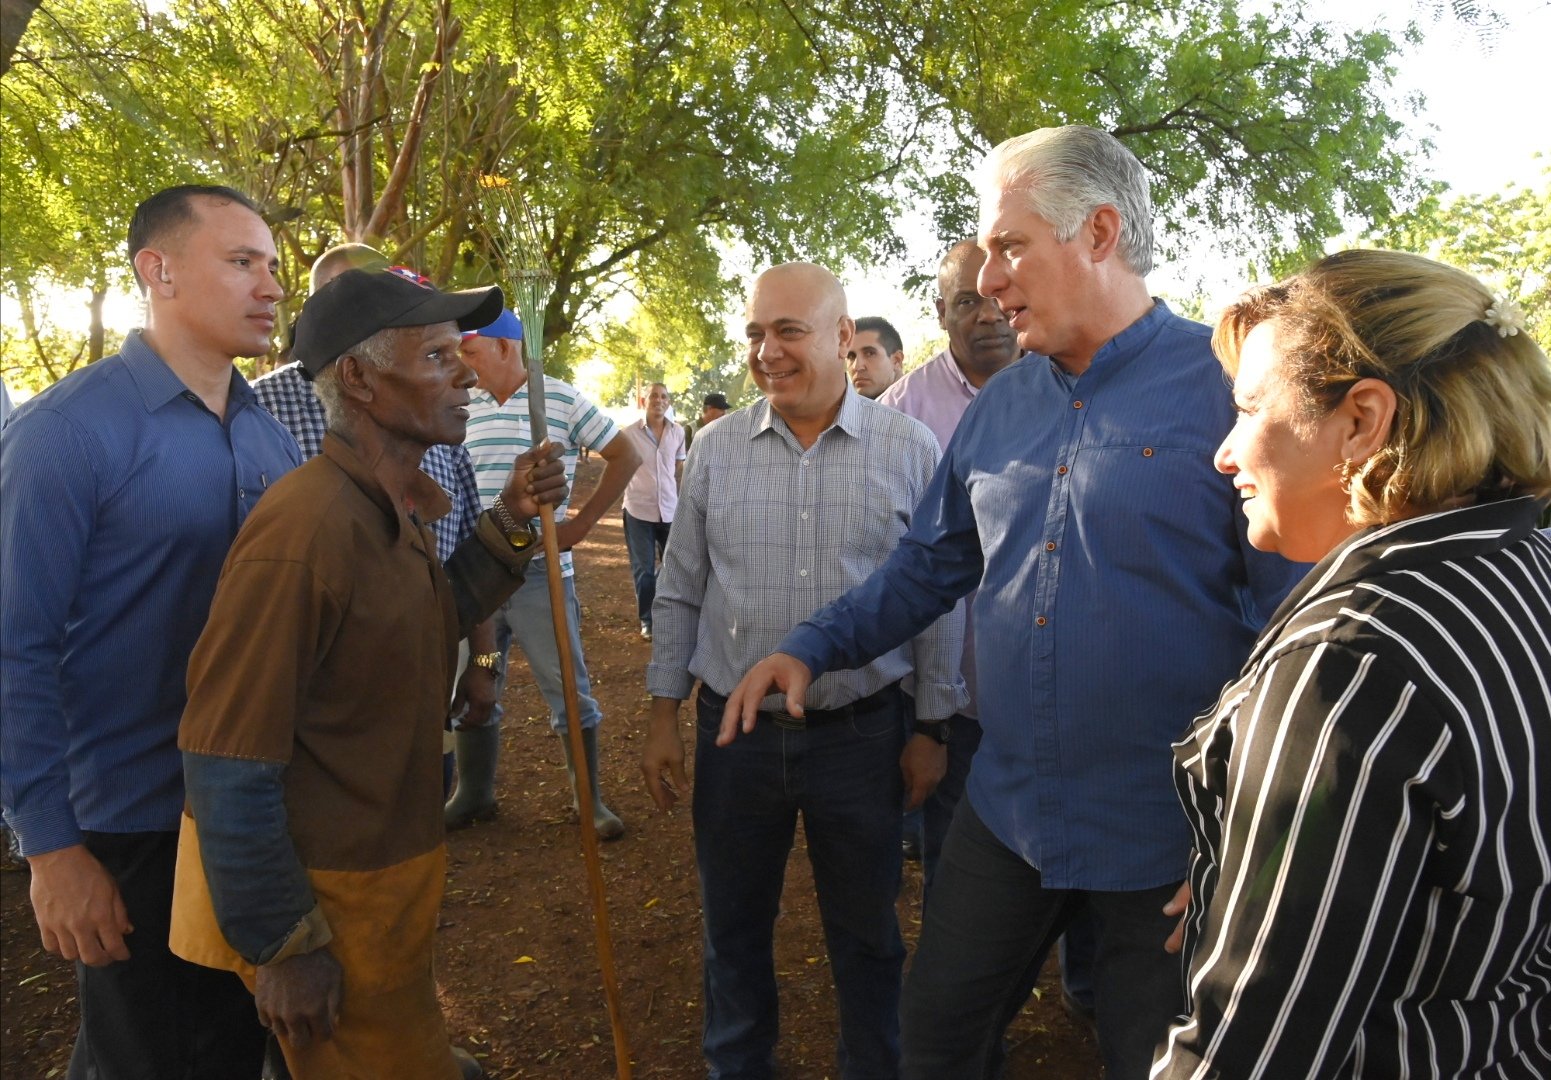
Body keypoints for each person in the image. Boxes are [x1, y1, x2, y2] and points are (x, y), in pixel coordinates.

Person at [721, 127, 1305, 1079]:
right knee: (936, 1043)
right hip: (1007, 811)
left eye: (1009, 245)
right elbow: (926, 567)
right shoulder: (1000, 407)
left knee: (1152, 1063)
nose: (987, 279)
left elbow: (1295, 633)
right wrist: (812, 646)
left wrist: (1252, 843)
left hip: (1169, 835)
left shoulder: (1225, 391)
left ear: (1100, 233)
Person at [1152, 250, 1551, 1078]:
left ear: (1362, 419)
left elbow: (1249, 1049)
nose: (1224, 454)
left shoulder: (1350, 662)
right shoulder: (1523, 560)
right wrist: (1269, 856)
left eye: (1249, 409)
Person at [169, 268, 567, 1080]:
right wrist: (286, 946)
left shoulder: (388, 507)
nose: (465, 374)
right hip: (329, 902)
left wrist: (512, 521)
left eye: (460, 355)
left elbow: (424, 621)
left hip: (383, 885)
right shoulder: (305, 532)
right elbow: (226, 760)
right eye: (437, 358)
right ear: (357, 377)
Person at [0, 184, 299, 1078]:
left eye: (275, 267)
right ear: (157, 270)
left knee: (238, 1047)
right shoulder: (66, 434)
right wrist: (51, 849)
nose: (271, 286)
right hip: (132, 829)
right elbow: (13, 649)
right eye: (242, 261)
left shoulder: (267, 435)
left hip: (252, 817)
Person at [641, 262, 966, 1080]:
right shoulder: (713, 451)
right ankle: (737, 1064)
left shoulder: (909, 447)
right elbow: (678, 591)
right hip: (734, 733)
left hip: (861, 738)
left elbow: (937, 599)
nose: (766, 351)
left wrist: (930, 726)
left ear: (842, 337)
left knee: (866, 932)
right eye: (754, 332)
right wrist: (659, 717)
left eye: (787, 330)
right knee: (732, 927)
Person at [455, 310, 641, 837]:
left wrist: (580, 523)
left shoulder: (557, 398)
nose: (461, 361)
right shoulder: (460, 404)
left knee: (565, 686)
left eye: (470, 350)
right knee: (478, 674)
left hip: (540, 578)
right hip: (477, 581)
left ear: (506, 348)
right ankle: (473, 792)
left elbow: (625, 453)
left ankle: (590, 800)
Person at [876, 238, 1019, 899]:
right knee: (955, 870)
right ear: (940, 314)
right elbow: (897, 566)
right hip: (952, 699)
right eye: (966, 302)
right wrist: (927, 720)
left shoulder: (1067, 382)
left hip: (1055, 688)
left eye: (996, 297)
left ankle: (1080, 989)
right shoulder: (901, 417)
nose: (987, 314)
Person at [620, 381, 686, 640]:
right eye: (653, 396)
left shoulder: (678, 432)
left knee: (674, 565)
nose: (659, 400)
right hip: (639, 510)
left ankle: (669, 614)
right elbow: (619, 466)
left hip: (670, 510)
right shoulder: (628, 434)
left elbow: (678, 466)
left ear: (668, 402)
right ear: (643, 402)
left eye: (663, 397)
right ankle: (647, 620)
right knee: (644, 569)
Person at [846, 316, 906, 399]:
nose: (856, 367)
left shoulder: (923, 407)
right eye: (851, 356)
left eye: (870, 353)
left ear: (896, 360)